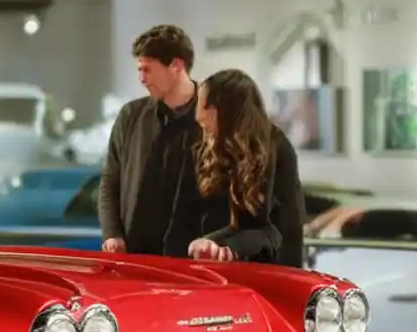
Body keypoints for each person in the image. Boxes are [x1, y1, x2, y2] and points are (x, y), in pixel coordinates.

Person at [98, 24, 203, 258]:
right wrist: (112, 233)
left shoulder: (215, 115)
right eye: (139, 70)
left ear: (176, 65)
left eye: (147, 70)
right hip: (136, 260)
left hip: (195, 266)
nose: (141, 79)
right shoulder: (131, 117)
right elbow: (110, 181)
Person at [186, 68, 306, 267]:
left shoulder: (270, 147)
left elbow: (267, 230)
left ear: (223, 109)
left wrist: (222, 245)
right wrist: (211, 242)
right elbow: (242, 225)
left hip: (277, 269)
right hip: (255, 261)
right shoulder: (236, 148)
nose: (199, 116)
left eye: (204, 105)